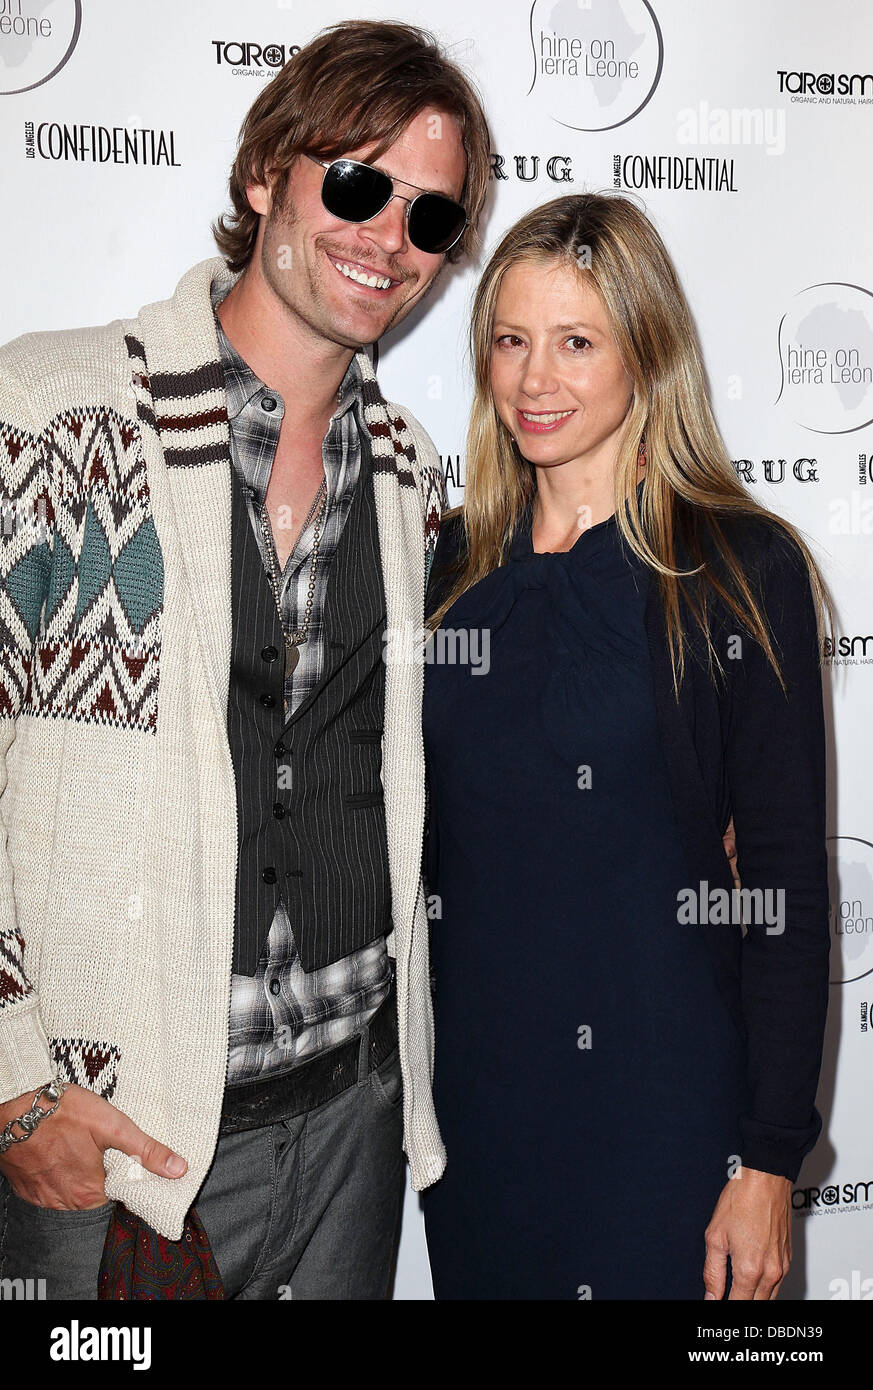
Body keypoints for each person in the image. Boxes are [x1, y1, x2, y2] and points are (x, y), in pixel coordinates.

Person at [0, 19, 489, 1299]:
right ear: (269, 170)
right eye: (359, 183)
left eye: (431, 219)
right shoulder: (56, 414)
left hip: (351, 1125)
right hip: (116, 1143)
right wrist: (10, 1085)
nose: (390, 238)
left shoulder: (409, 477)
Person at [421, 193, 831, 1301]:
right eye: (510, 339)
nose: (533, 378)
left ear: (647, 354)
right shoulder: (451, 566)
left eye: (576, 342)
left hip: (669, 1121)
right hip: (483, 1124)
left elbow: (785, 890)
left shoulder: (741, 569)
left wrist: (767, 1158)